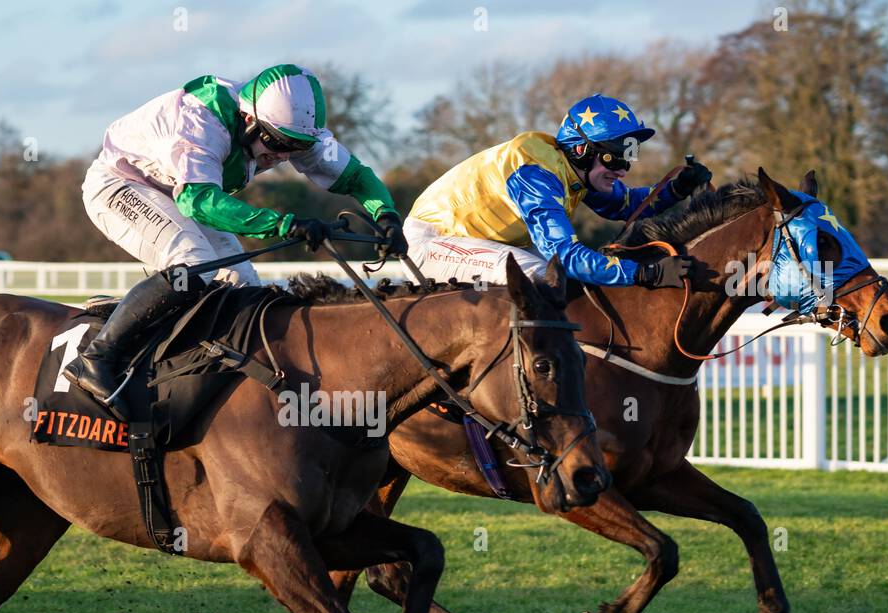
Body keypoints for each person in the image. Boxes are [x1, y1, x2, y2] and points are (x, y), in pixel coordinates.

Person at [64, 64, 406, 417]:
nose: (284, 156)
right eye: (278, 143)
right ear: (248, 119)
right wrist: (283, 224)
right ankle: (96, 359)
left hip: (179, 191)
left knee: (243, 286)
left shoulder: (289, 128)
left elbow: (356, 177)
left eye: (297, 147)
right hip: (121, 185)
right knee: (192, 263)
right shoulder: (202, 122)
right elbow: (197, 200)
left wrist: (388, 217)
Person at [404, 93, 712, 290]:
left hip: (476, 241)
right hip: (434, 241)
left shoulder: (571, 169)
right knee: (547, 277)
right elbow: (564, 256)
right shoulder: (537, 173)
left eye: (629, 156)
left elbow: (625, 207)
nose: (622, 169)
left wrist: (676, 188)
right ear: (581, 149)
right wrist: (644, 274)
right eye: (614, 156)